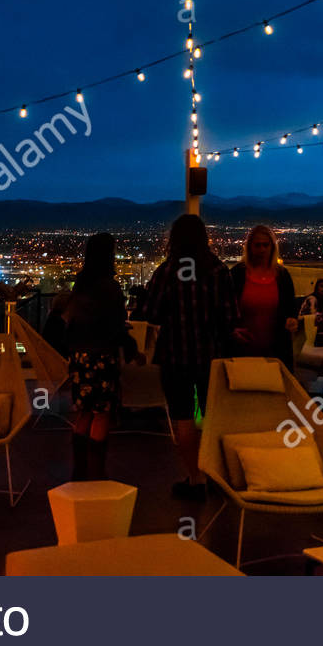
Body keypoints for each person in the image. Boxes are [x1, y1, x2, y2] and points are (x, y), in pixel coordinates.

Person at [142, 213, 239, 500]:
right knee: (213, 417)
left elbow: (152, 313)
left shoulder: (167, 271)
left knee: (183, 418)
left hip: (174, 356)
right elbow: (231, 316)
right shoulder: (218, 270)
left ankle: (195, 479)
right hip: (211, 356)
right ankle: (217, 476)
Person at [64, 234, 138, 481]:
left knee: (84, 412)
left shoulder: (81, 284)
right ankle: (96, 473)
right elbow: (117, 326)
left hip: (80, 356)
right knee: (102, 412)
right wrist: (132, 350)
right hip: (102, 356)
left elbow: (72, 321)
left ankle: (79, 470)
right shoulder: (110, 287)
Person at [230, 225, 300, 368]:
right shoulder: (237, 274)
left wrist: (292, 320)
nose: (261, 250)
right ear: (250, 247)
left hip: (275, 352)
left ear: (272, 247)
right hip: (241, 351)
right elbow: (225, 309)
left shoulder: (282, 277)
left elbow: (291, 308)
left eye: (265, 245)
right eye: (257, 245)